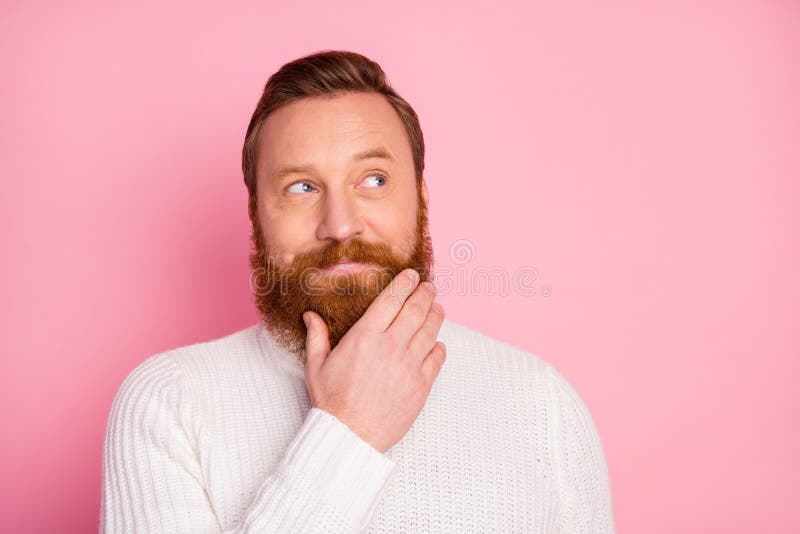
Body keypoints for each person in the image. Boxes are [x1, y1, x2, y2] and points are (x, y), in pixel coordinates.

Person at [100, 50, 616, 533]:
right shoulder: (168, 404)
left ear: (420, 198)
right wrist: (348, 432)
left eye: (372, 179)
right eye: (301, 187)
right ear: (256, 216)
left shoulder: (540, 404)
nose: (341, 225)